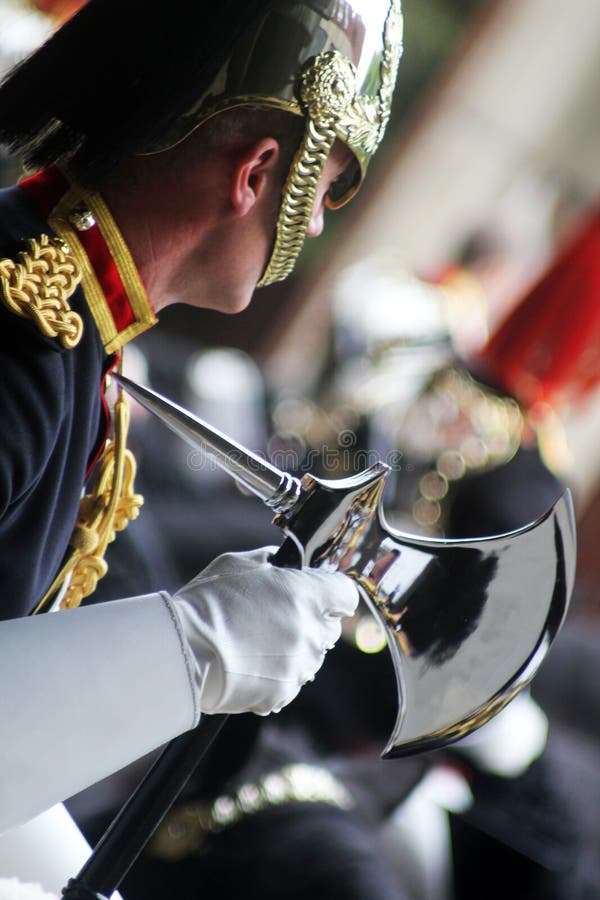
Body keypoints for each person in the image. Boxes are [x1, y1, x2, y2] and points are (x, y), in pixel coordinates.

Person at [0, 0, 404, 878]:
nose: (318, 224)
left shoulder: (73, 330)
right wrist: (185, 647)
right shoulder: (20, 338)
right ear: (256, 173)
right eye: (325, 187)